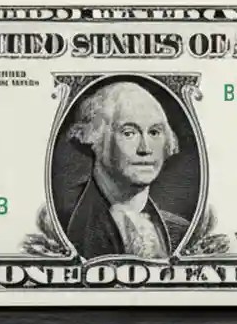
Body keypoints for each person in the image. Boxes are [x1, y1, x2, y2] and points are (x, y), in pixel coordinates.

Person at [60, 80, 190, 259]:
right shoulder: (62, 228)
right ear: (96, 139)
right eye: (129, 133)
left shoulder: (182, 231)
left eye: (154, 133)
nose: (145, 149)